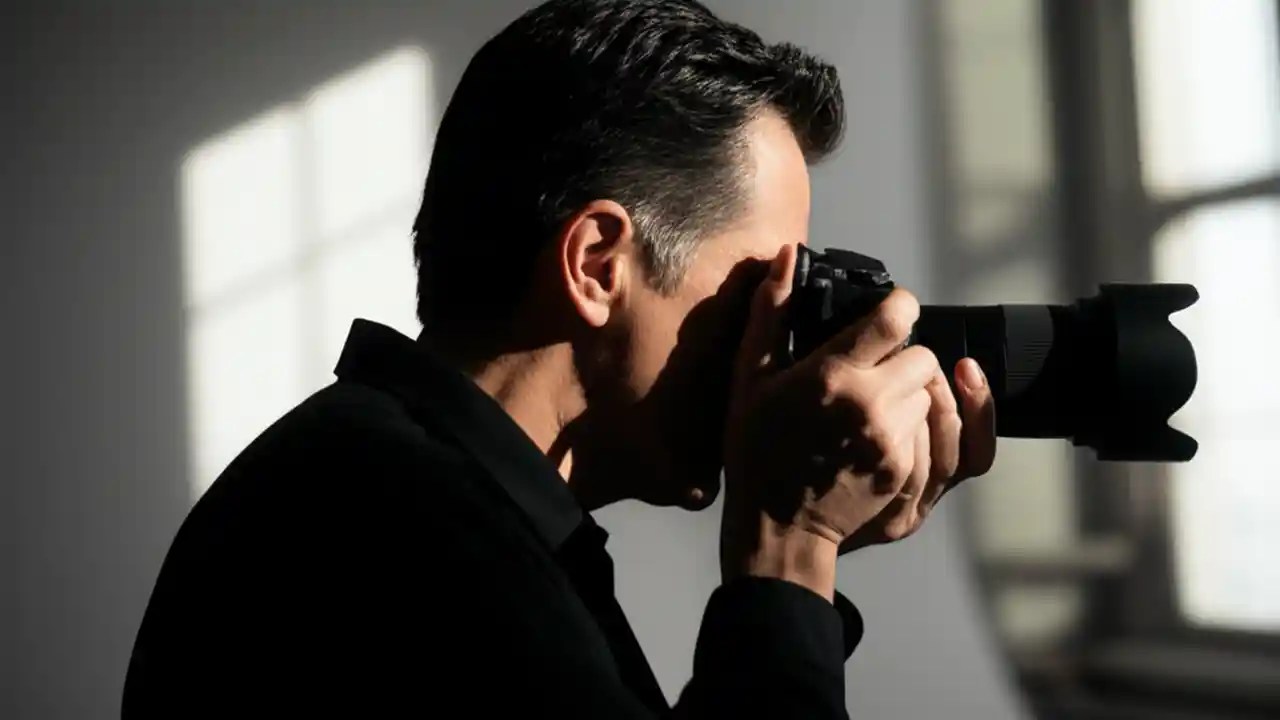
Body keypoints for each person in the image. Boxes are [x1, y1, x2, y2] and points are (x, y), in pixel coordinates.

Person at [122, 0, 996, 717]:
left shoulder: (413, 489)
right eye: (764, 285)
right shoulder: (400, 533)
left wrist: (802, 569)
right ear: (597, 264)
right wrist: (792, 547)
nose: (783, 337)